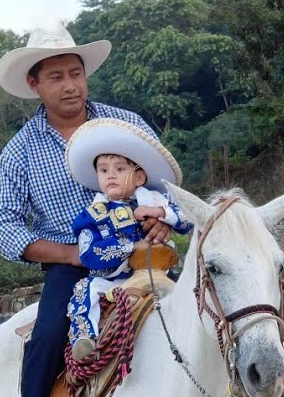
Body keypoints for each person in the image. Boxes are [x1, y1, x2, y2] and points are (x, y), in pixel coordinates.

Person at [0, 25, 171, 397]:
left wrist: (161, 219)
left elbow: (165, 186)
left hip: (140, 254)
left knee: (206, 317)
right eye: (55, 77)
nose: (69, 85)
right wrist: (70, 253)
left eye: (75, 73)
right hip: (71, 267)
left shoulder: (126, 124)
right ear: (34, 84)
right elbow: (1, 223)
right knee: (47, 339)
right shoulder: (21, 150)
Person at [63, 118, 192, 359]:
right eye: (103, 170)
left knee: (192, 291)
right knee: (85, 289)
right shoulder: (91, 215)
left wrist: (163, 214)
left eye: (120, 169)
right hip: (113, 279)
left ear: (139, 177)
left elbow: (188, 220)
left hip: (160, 272)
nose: (110, 175)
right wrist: (132, 247)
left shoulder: (155, 201)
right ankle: (84, 338)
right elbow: (89, 253)